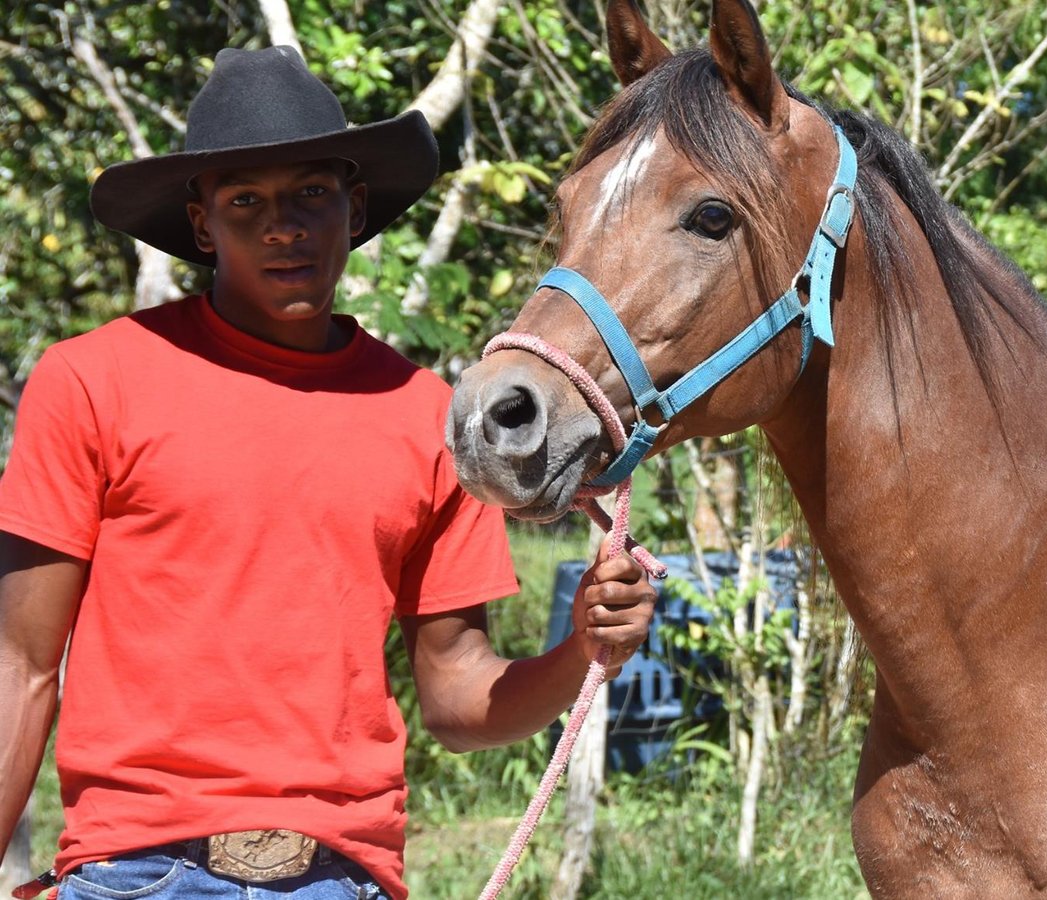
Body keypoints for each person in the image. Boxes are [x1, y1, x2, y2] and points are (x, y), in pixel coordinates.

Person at [0, 46, 655, 900]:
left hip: (341, 877)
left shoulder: (430, 416)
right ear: (203, 225)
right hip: (139, 869)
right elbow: (20, 665)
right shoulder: (93, 380)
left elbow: (458, 697)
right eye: (245, 201)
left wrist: (583, 651)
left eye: (311, 192)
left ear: (355, 207)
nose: (283, 226)